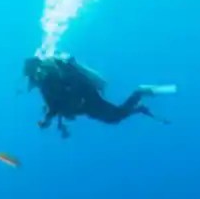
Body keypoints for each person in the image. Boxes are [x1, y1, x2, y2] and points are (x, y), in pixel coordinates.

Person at [24, 54, 174, 137]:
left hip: (87, 100)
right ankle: (139, 106)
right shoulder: (48, 82)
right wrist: (52, 121)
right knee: (114, 118)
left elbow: (53, 106)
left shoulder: (47, 83)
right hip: (86, 101)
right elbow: (54, 107)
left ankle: (139, 92)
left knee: (115, 117)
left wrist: (46, 120)